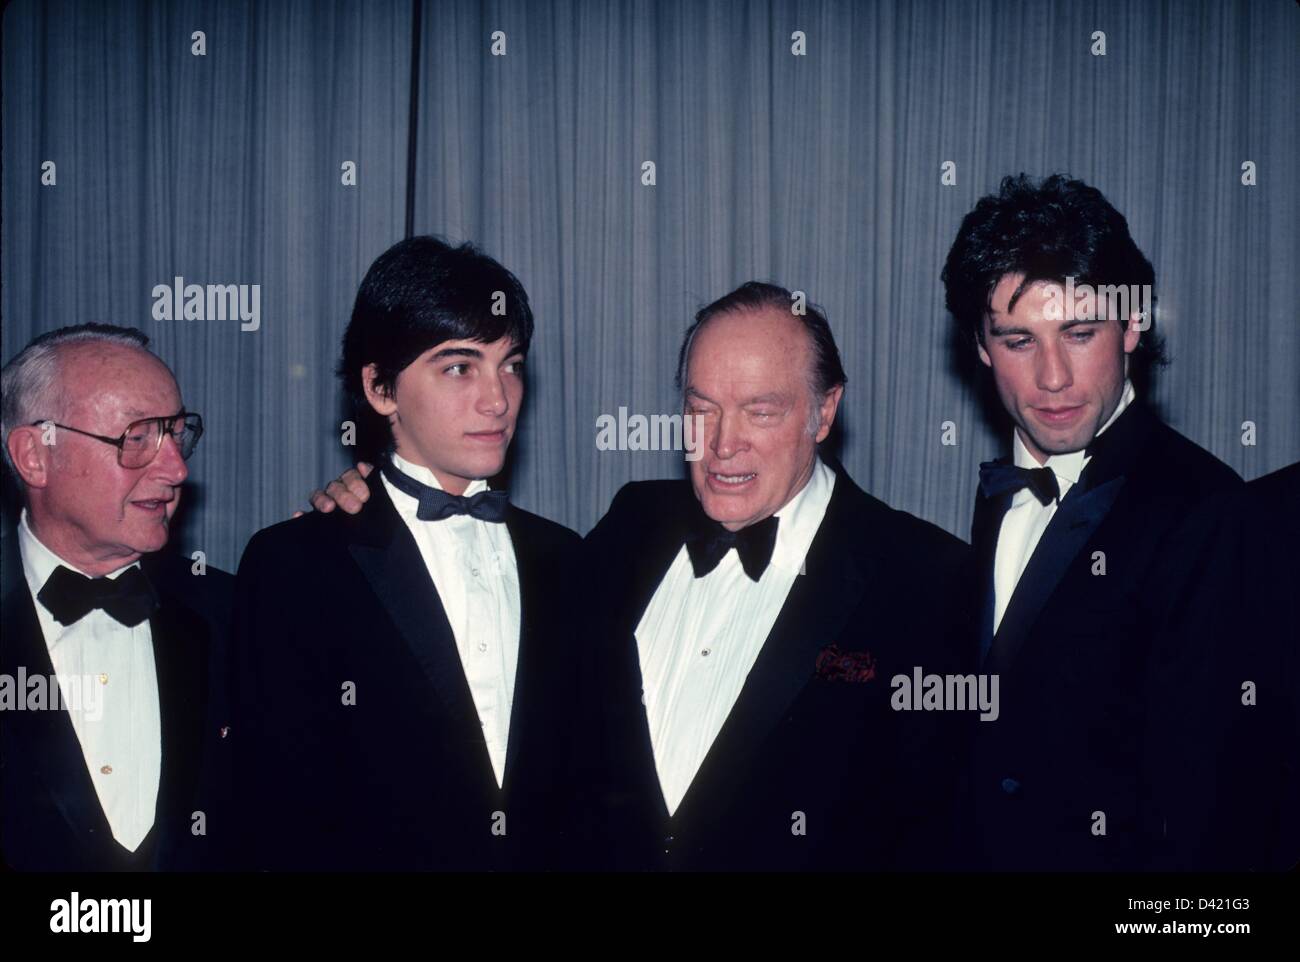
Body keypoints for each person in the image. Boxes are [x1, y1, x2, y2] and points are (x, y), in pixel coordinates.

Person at [232, 236, 582, 870]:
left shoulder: (569, 560)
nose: (498, 399)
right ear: (380, 388)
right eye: (459, 367)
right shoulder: (296, 566)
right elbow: (277, 816)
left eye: (511, 364)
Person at [942, 173, 1243, 869]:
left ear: (1134, 324)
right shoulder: (999, 494)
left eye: (1079, 333)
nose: (1052, 379)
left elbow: (1216, 809)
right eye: (1018, 341)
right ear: (981, 347)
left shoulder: (1210, 510)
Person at [0, 324, 232, 871]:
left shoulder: (234, 612)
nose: (176, 469)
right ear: (35, 455)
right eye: (137, 437)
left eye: (178, 435)